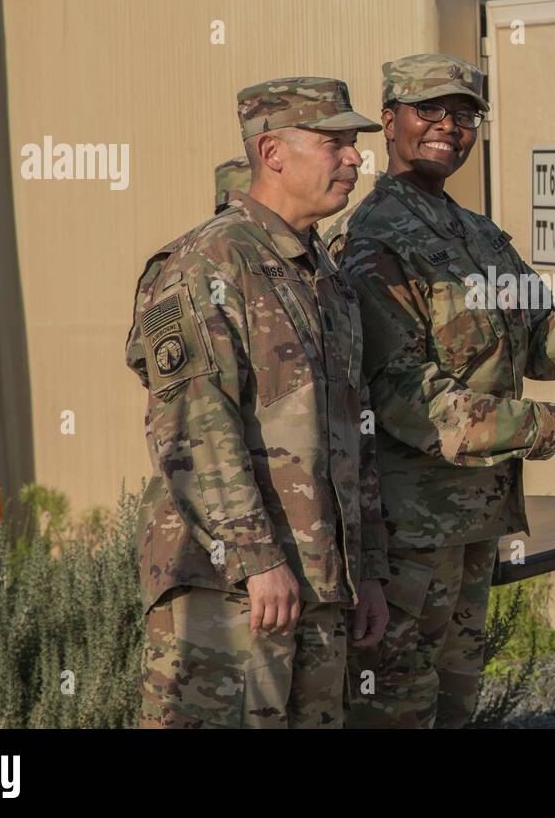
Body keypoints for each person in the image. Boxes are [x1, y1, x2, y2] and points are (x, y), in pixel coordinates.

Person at [327, 53, 555, 728]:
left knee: (455, 707)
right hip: (407, 535)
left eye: (464, 114)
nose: (448, 127)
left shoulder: (479, 236)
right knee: (394, 710)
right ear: (390, 119)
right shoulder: (373, 242)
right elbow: (408, 397)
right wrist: (551, 425)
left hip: (473, 525)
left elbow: (540, 337)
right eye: (429, 110)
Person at [125, 77, 390, 728]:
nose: (355, 159)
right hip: (232, 588)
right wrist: (257, 559)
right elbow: (193, 428)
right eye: (335, 143)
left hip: (319, 585)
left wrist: (369, 570)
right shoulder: (201, 263)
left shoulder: (326, 280)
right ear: (272, 153)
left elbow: (355, 437)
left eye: (354, 145)